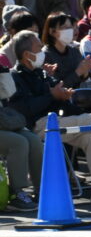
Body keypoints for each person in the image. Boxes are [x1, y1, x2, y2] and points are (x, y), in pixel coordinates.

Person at [7, 29, 91, 202]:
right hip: (36, 125)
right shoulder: (14, 76)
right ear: (27, 54)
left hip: (57, 120)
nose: (42, 52)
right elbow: (24, 109)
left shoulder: (41, 72)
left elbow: (56, 94)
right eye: (38, 49)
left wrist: (63, 95)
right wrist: (52, 95)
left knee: (90, 137)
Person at [0, 52, 41, 211]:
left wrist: (3, 72)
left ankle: (41, 190)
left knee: (33, 140)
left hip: (3, 123)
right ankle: (17, 192)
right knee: (19, 143)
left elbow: (9, 93)